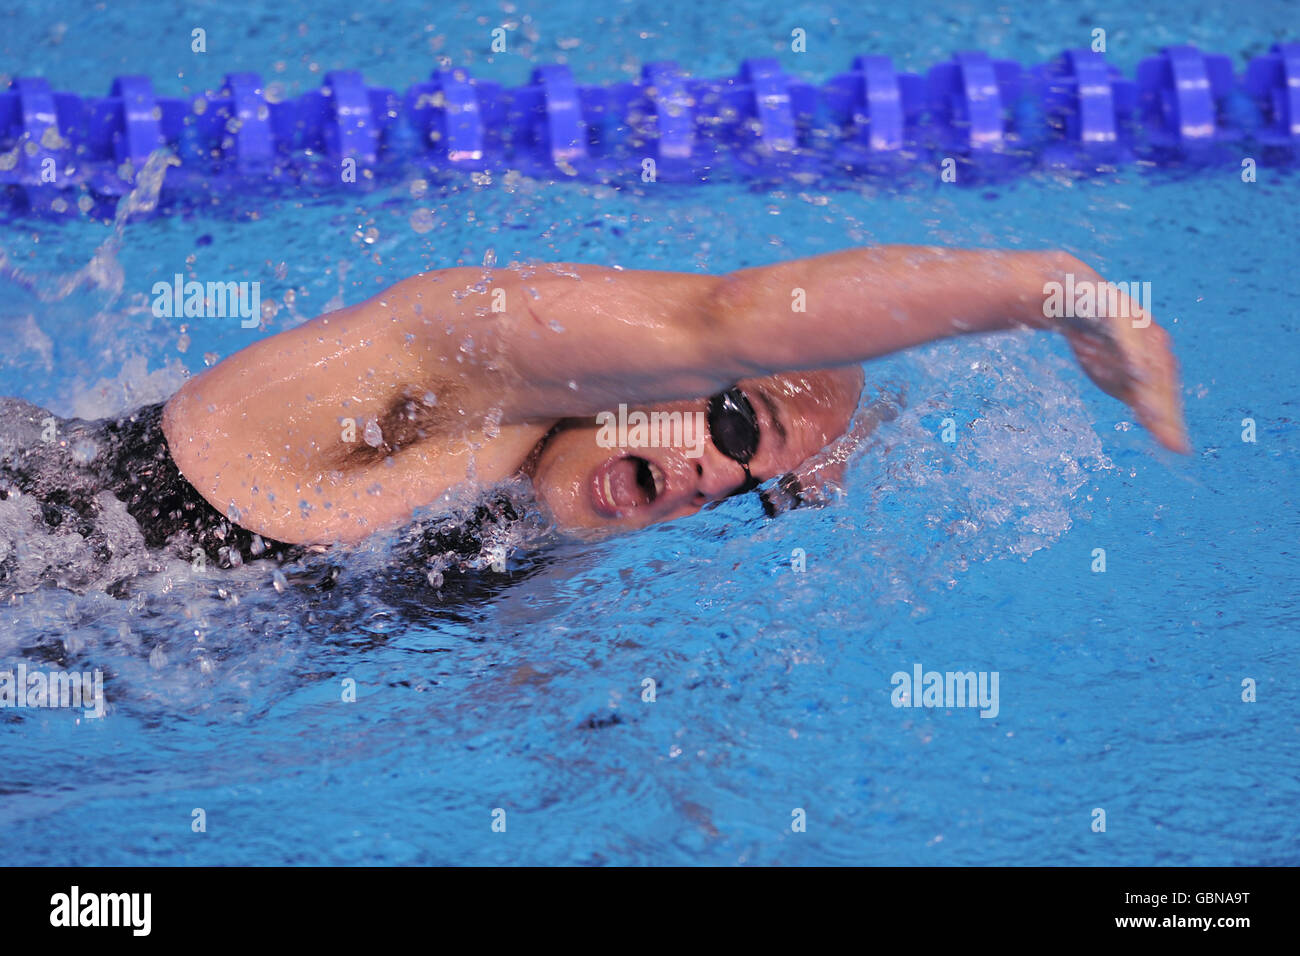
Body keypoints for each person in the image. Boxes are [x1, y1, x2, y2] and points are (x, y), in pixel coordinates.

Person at [2, 245, 1186, 577]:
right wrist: (1042, 287)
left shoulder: (527, 521)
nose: (711, 482)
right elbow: (733, 318)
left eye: (748, 492)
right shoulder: (461, 359)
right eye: (732, 429)